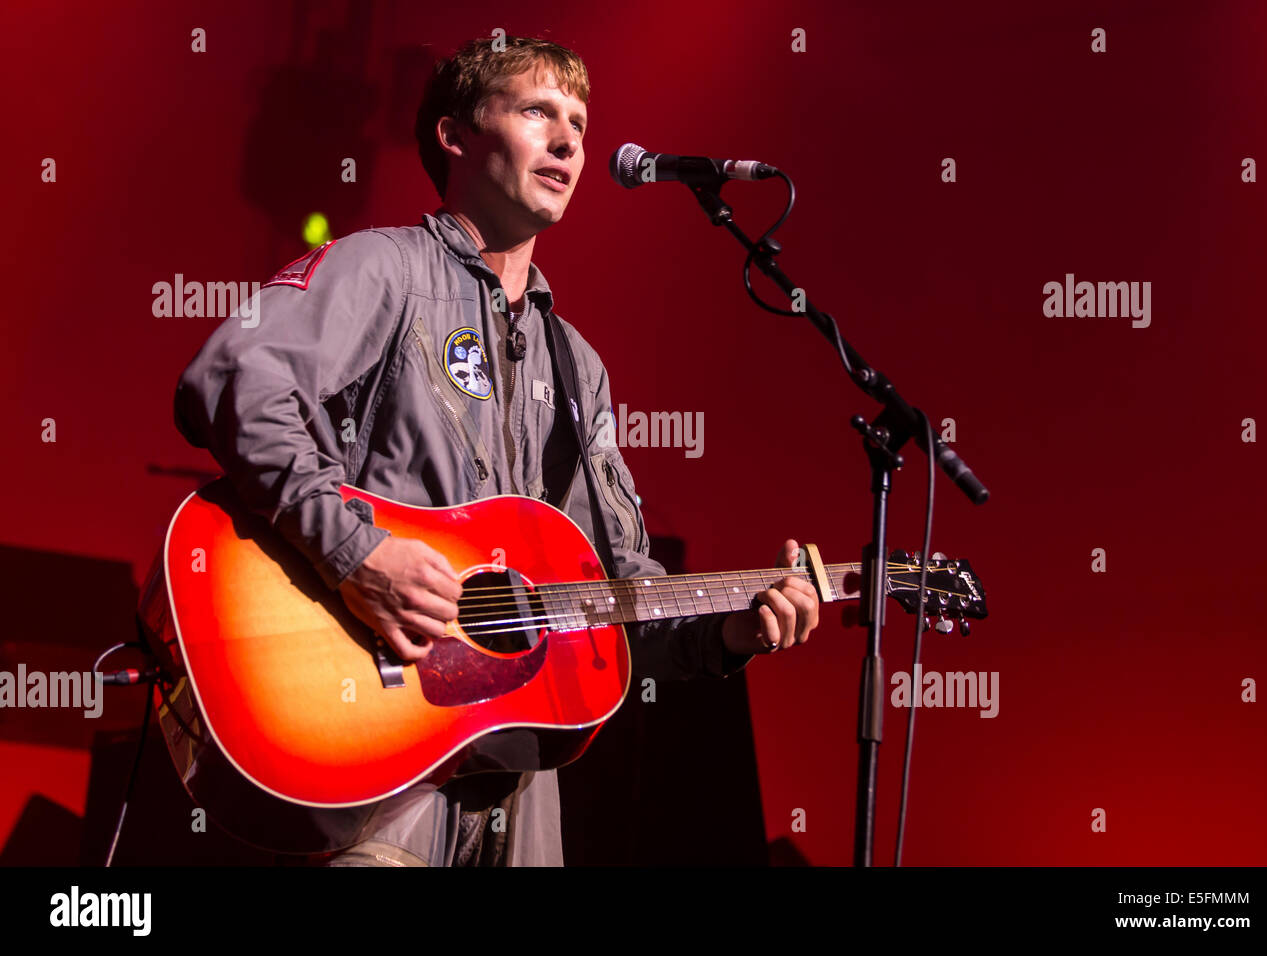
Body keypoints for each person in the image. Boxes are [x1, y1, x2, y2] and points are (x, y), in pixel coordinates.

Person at [173, 35, 820, 867]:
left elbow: (620, 594)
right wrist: (357, 553)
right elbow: (232, 384)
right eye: (537, 112)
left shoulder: (577, 366)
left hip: (518, 785)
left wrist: (732, 630)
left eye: (579, 125)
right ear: (455, 137)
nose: (568, 143)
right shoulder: (384, 269)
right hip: (373, 751)